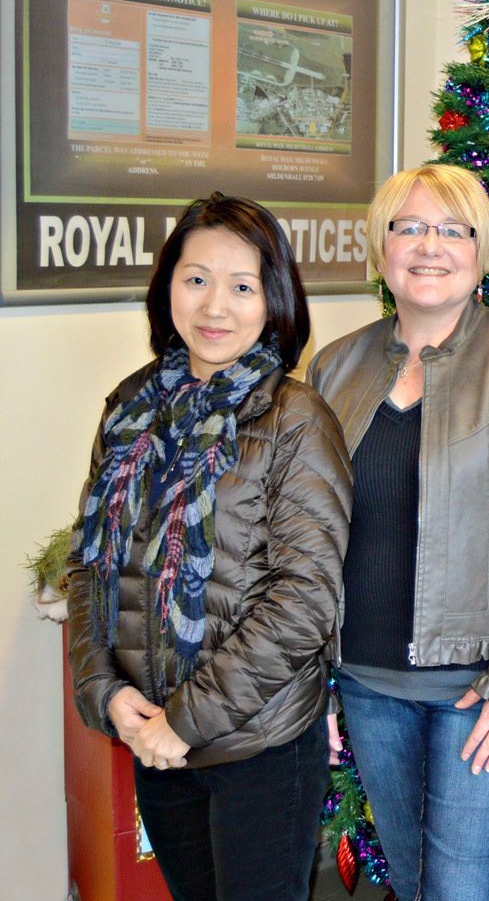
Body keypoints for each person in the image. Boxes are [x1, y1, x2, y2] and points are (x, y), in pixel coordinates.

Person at [307, 164, 489, 901]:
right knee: (412, 885)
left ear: (484, 251)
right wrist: (317, 677)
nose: (429, 245)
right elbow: (304, 535)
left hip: (483, 687)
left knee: (461, 890)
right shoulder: (335, 366)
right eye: (408, 227)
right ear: (381, 248)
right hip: (369, 682)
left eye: (452, 228)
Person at [66, 194, 352, 901]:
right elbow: (91, 564)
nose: (214, 305)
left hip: (259, 745)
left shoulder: (295, 419)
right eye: (196, 279)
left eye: (242, 285)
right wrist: (104, 690)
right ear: (167, 287)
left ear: (273, 300)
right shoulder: (132, 405)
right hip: (156, 735)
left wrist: (185, 719)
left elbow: (304, 599)